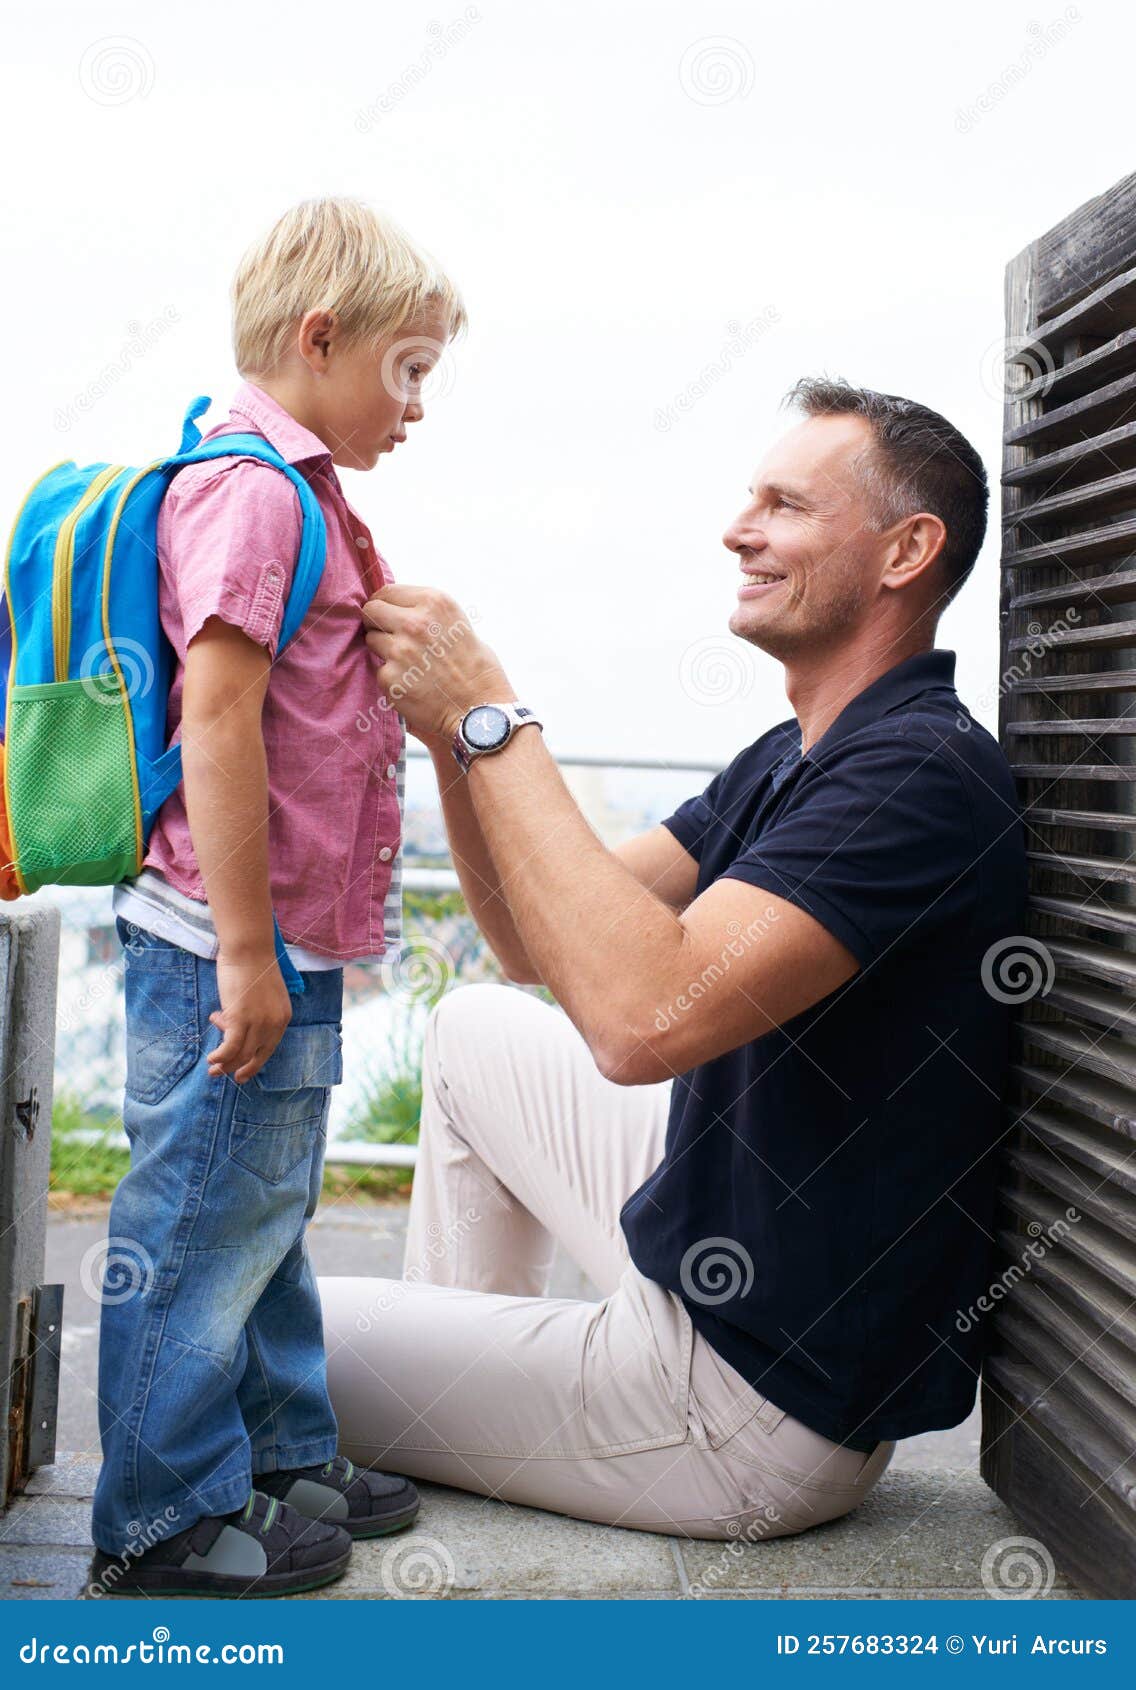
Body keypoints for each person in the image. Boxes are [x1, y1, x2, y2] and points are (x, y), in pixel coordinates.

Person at [318, 378, 1028, 1542]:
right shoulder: (799, 751)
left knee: (256, 1336)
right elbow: (536, 943)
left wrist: (497, 717)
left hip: (740, 1409)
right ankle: (460, 1383)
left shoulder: (914, 781)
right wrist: (456, 741)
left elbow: (636, 1021)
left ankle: (450, 1395)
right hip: (702, 1258)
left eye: (784, 505)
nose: (736, 529)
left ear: (906, 550)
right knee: (471, 1033)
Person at [89, 198, 465, 1598]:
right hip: (219, 943)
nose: (419, 404)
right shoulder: (252, 490)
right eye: (409, 368)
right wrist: (247, 949)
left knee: (264, 1208)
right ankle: (158, 1521)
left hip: (280, 942)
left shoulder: (308, 495)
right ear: (322, 338)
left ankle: (275, 1448)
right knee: (193, 1222)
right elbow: (222, 719)